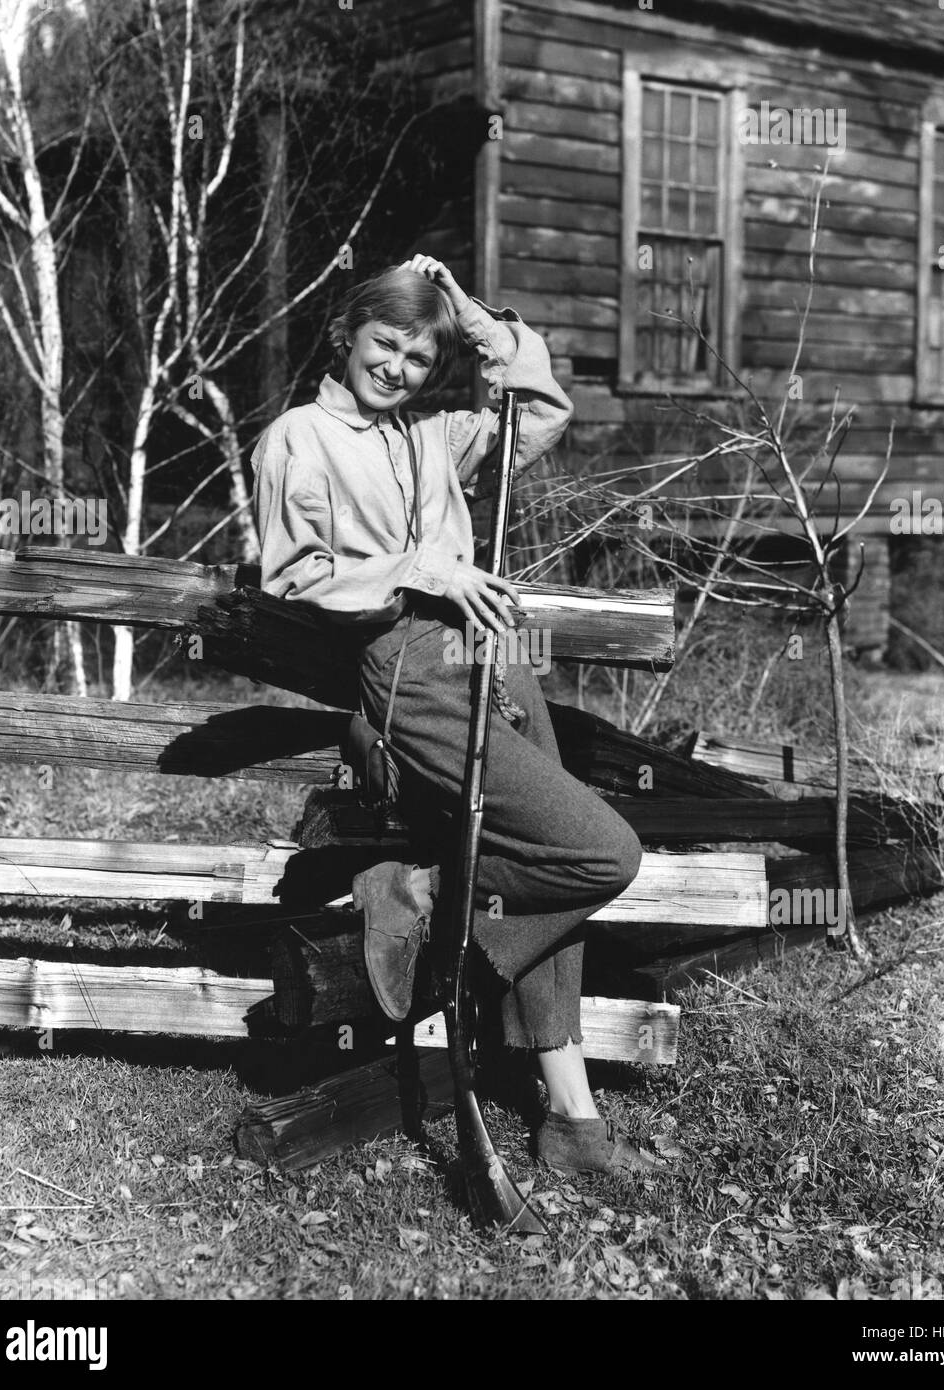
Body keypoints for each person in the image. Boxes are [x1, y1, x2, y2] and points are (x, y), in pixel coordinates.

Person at [252, 253, 665, 1176]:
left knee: (540, 860)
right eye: (384, 345)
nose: (396, 368)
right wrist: (427, 569)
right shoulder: (297, 439)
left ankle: (572, 1120)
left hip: (496, 662)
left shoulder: (436, 437)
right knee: (601, 852)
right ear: (346, 336)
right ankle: (423, 893)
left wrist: (464, 310)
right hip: (409, 666)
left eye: (418, 357)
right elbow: (295, 576)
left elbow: (540, 405)